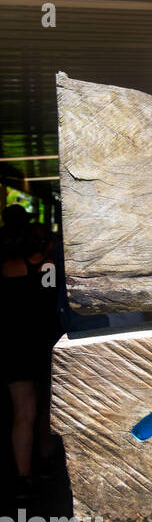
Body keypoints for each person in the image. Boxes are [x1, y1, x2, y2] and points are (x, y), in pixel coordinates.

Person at [2, 204, 62, 499]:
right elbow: (50, 299)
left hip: (15, 345)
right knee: (45, 408)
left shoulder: (9, 268)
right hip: (43, 344)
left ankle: (23, 475)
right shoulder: (49, 268)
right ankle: (47, 460)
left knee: (22, 412)